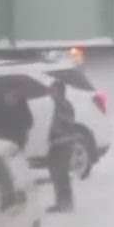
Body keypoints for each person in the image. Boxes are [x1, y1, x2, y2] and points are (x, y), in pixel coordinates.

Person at [44, 80, 78, 213]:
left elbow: (66, 124)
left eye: (53, 90)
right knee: (55, 174)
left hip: (63, 143)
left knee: (61, 175)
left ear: (60, 92)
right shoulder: (55, 105)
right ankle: (60, 202)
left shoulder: (64, 106)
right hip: (56, 144)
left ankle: (65, 204)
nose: (50, 93)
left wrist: (56, 133)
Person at [0, 86, 33, 151]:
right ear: (5, 94)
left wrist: (23, 133)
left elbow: (29, 122)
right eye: (13, 96)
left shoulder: (22, 104)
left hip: (17, 142)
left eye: (18, 96)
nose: (15, 99)